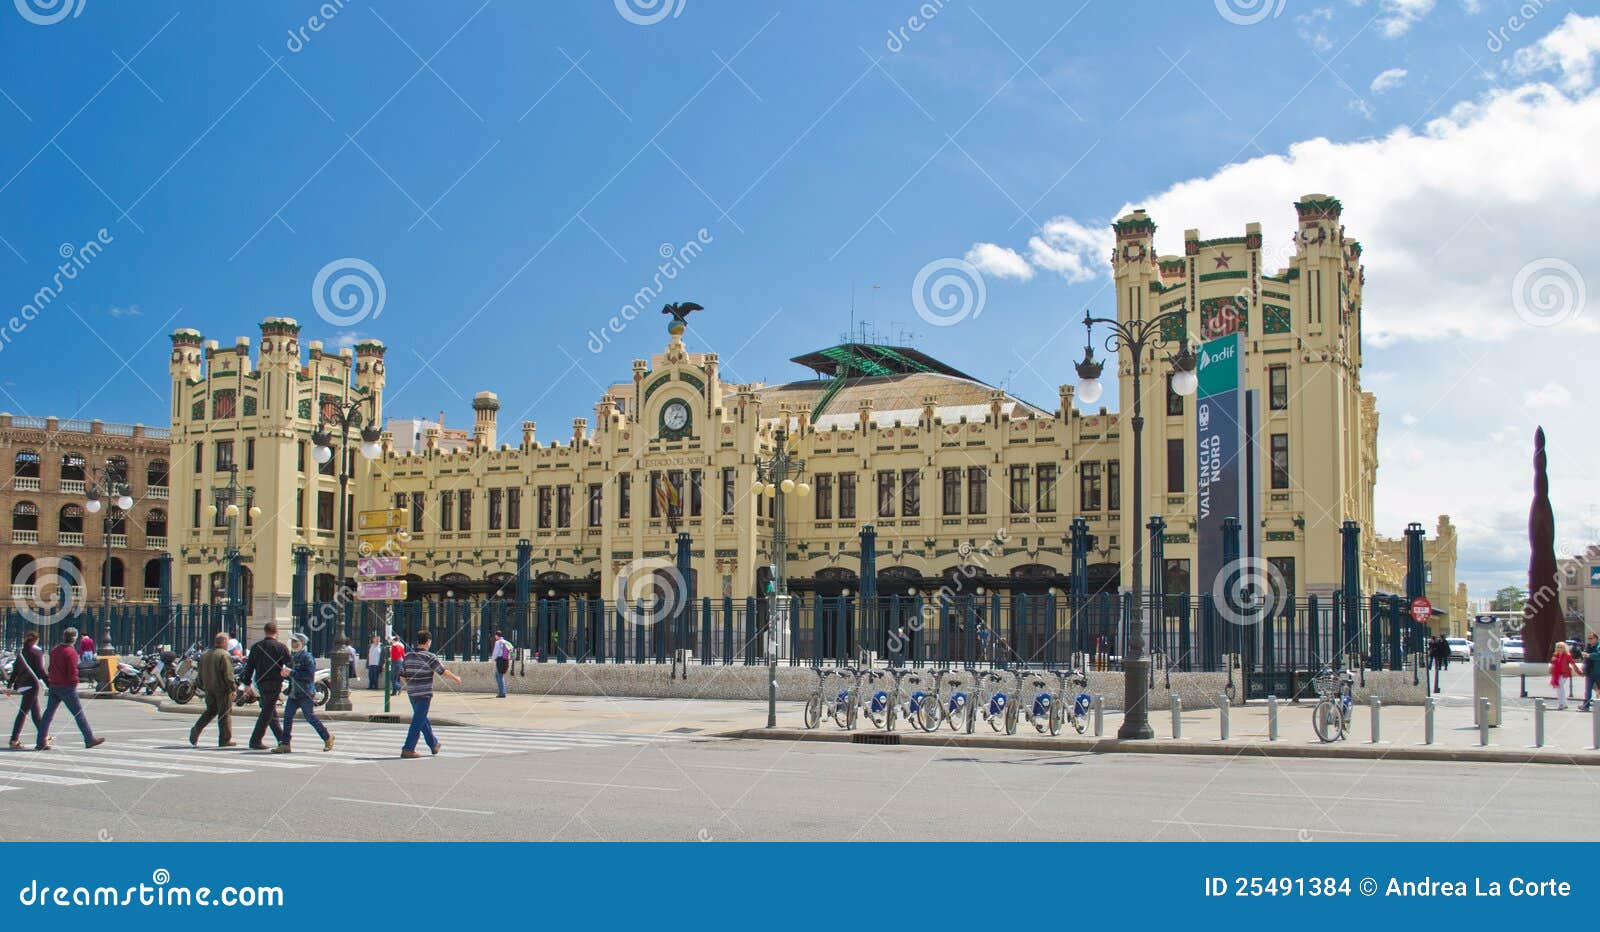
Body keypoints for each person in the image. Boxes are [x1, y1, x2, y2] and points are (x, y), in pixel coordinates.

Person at [37, 627, 105, 750]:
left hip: (54, 685)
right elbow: (72, 671)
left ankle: (40, 741)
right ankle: (89, 738)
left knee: (48, 715)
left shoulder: (55, 650)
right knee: (79, 714)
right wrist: (75, 683)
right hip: (67, 686)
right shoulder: (71, 652)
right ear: (74, 638)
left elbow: (50, 668)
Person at [396, 630, 460, 759]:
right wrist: (455, 678)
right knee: (417, 721)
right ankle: (408, 748)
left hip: (412, 693)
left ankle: (433, 744)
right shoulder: (429, 656)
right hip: (424, 694)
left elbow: (402, 675)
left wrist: (409, 685)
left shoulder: (408, 656)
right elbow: (442, 671)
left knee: (421, 719)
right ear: (428, 642)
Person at [239, 622, 291, 750]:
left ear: (265, 631)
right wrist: (291, 680)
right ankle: (255, 740)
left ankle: (281, 739)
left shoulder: (256, 647)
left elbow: (249, 667)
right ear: (276, 632)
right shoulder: (281, 647)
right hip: (275, 683)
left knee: (270, 710)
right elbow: (290, 665)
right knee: (267, 712)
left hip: (261, 683)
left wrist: (247, 683)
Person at [277, 632, 333, 753]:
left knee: (310, 717)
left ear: (302, 644)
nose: (293, 644)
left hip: (305, 693)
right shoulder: (294, 657)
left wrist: (291, 672)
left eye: (296, 642)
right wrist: (285, 674)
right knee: (287, 718)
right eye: (292, 642)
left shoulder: (307, 657)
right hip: (294, 693)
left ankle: (327, 737)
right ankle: (285, 744)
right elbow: (292, 674)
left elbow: (308, 676)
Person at [189, 632, 237, 747]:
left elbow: (200, 673)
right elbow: (228, 675)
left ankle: (196, 729)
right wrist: (233, 688)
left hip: (209, 688)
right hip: (222, 689)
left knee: (210, 711)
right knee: (224, 714)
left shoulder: (205, 654)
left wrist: (202, 685)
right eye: (227, 642)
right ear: (224, 642)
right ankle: (225, 740)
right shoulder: (224, 655)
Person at [7, 631, 48, 750]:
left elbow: (15, 670)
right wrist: (50, 684)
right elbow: (40, 671)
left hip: (22, 685)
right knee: (23, 712)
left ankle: (44, 737)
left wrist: (10, 685)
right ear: (36, 640)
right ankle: (14, 739)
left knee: (35, 713)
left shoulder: (21, 653)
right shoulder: (37, 653)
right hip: (32, 685)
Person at [1549, 640, 1577, 711]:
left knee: (1560, 686)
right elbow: (1552, 663)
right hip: (1556, 674)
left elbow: (1573, 663)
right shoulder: (1555, 655)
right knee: (1559, 688)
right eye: (1558, 647)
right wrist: (1551, 668)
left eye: (1561, 647)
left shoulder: (1567, 655)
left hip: (1564, 674)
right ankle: (1564, 704)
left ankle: (1561, 704)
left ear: (1564, 648)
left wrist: (1579, 671)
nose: (1559, 648)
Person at [490, 629, 513, 699]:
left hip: (500, 660)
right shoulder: (507, 642)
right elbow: (511, 649)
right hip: (506, 660)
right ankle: (502, 692)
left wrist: (492, 659)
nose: (495, 637)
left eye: (495, 636)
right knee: (499, 675)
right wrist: (511, 658)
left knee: (499, 676)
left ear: (497, 636)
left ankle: (502, 693)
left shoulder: (498, 642)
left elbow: (496, 652)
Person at [1581, 631, 1599, 713]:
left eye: (1591, 638)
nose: (1590, 640)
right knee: (1587, 690)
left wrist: (1590, 655)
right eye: (1588, 638)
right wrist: (1583, 666)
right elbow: (1585, 659)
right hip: (1589, 672)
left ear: (1596, 638)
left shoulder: (1599, 646)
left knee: (1598, 690)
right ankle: (1586, 706)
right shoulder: (1588, 647)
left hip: (1598, 672)